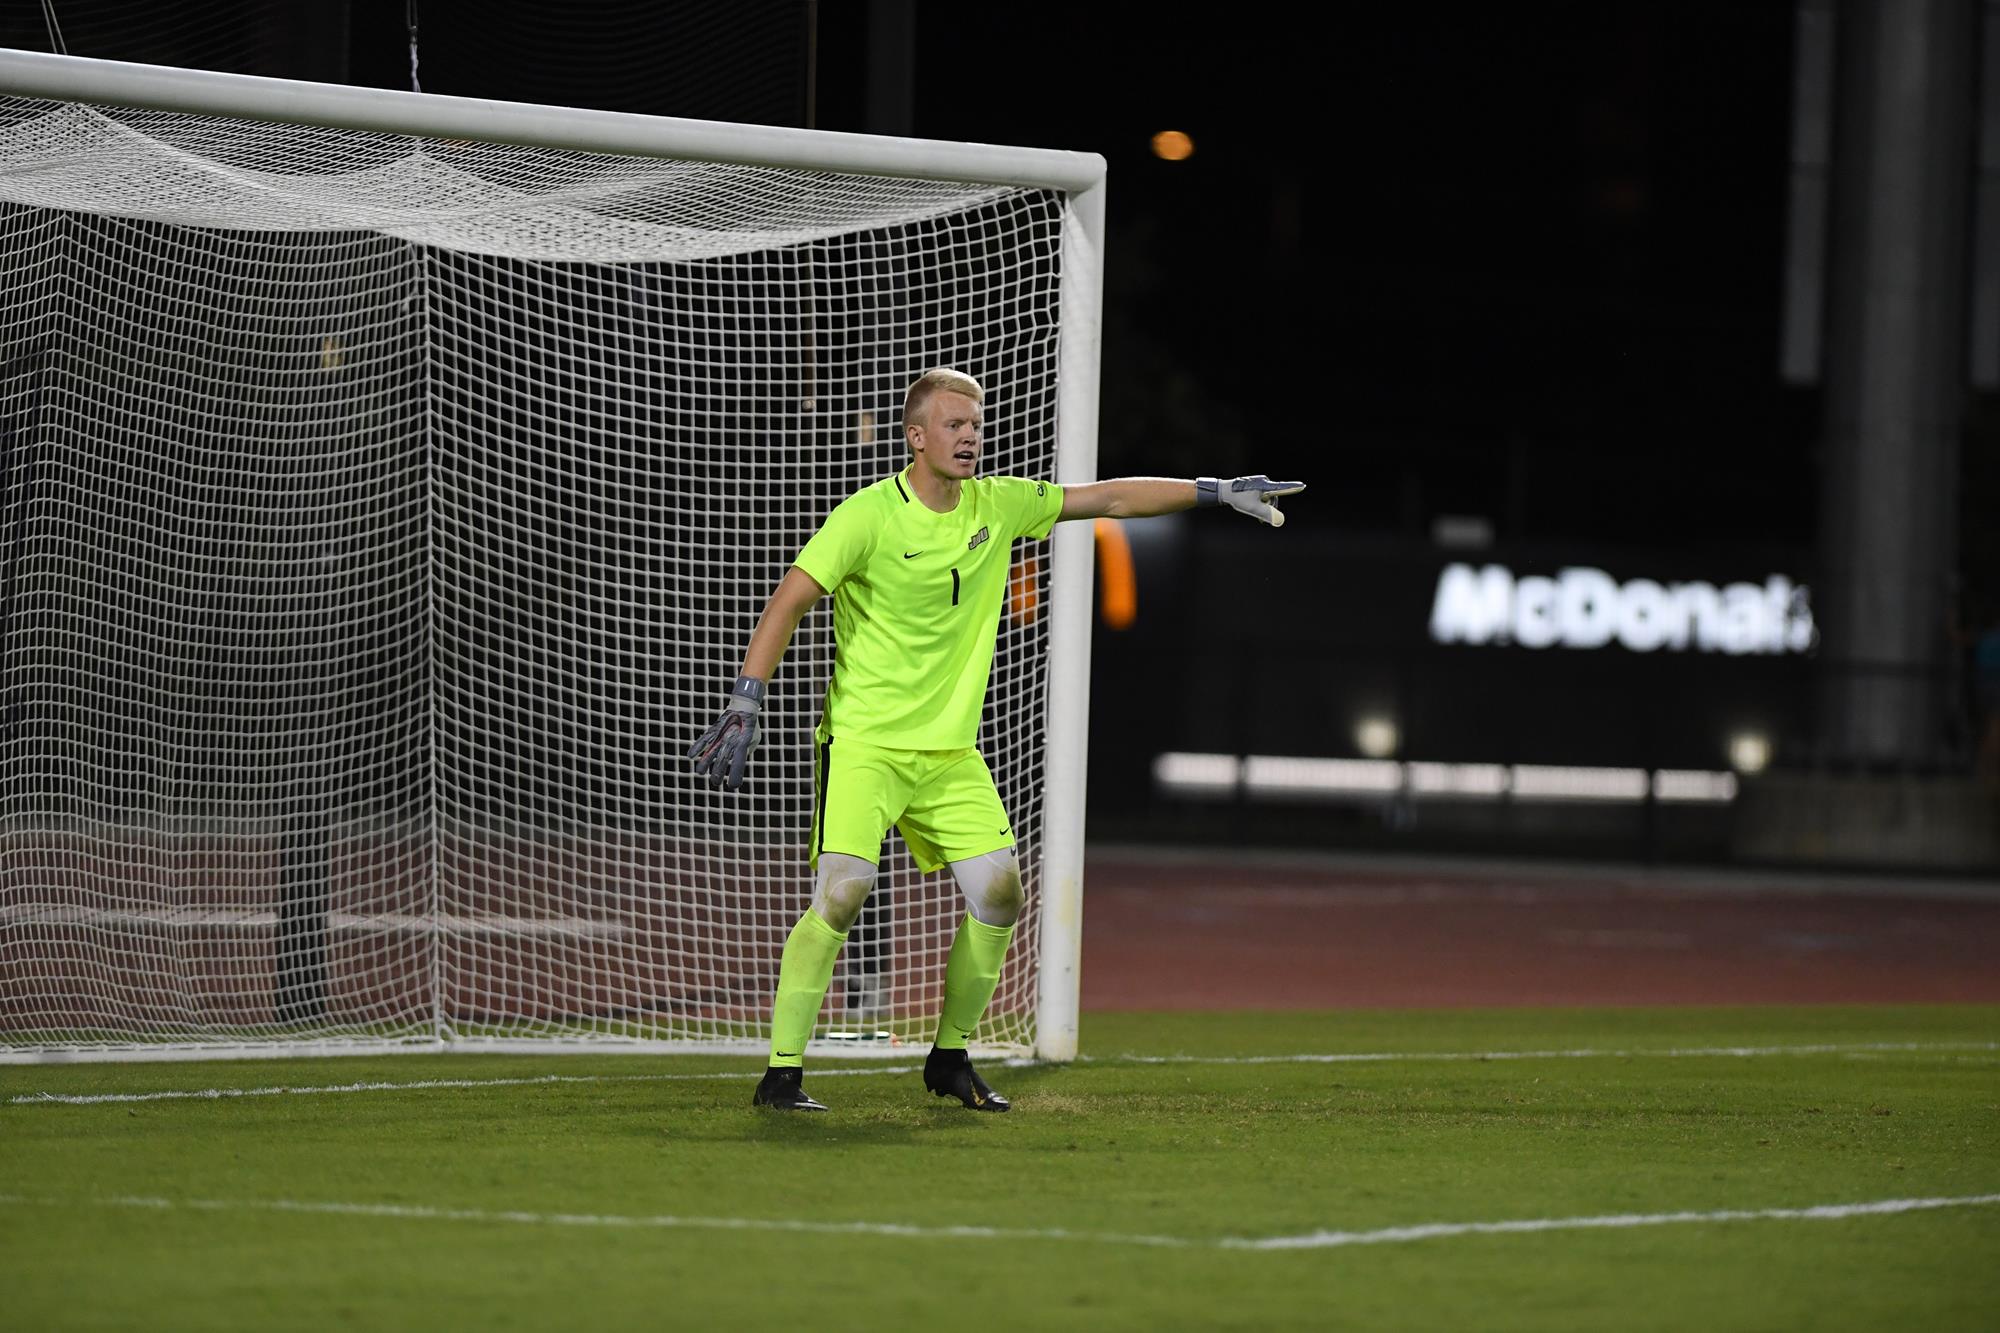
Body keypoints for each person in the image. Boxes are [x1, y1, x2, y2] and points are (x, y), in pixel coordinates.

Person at [690, 368, 1302, 1112]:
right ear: (916, 437)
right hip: (864, 745)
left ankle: (949, 1057)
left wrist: (1210, 490)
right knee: (844, 894)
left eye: (975, 424)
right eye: (953, 425)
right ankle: (781, 1075)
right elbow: (788, 600)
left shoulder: (1000, 504)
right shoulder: (868, 515)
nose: (970, 435)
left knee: (1001, 894)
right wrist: (747, 699)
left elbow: (1106, 497)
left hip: (949, 756)